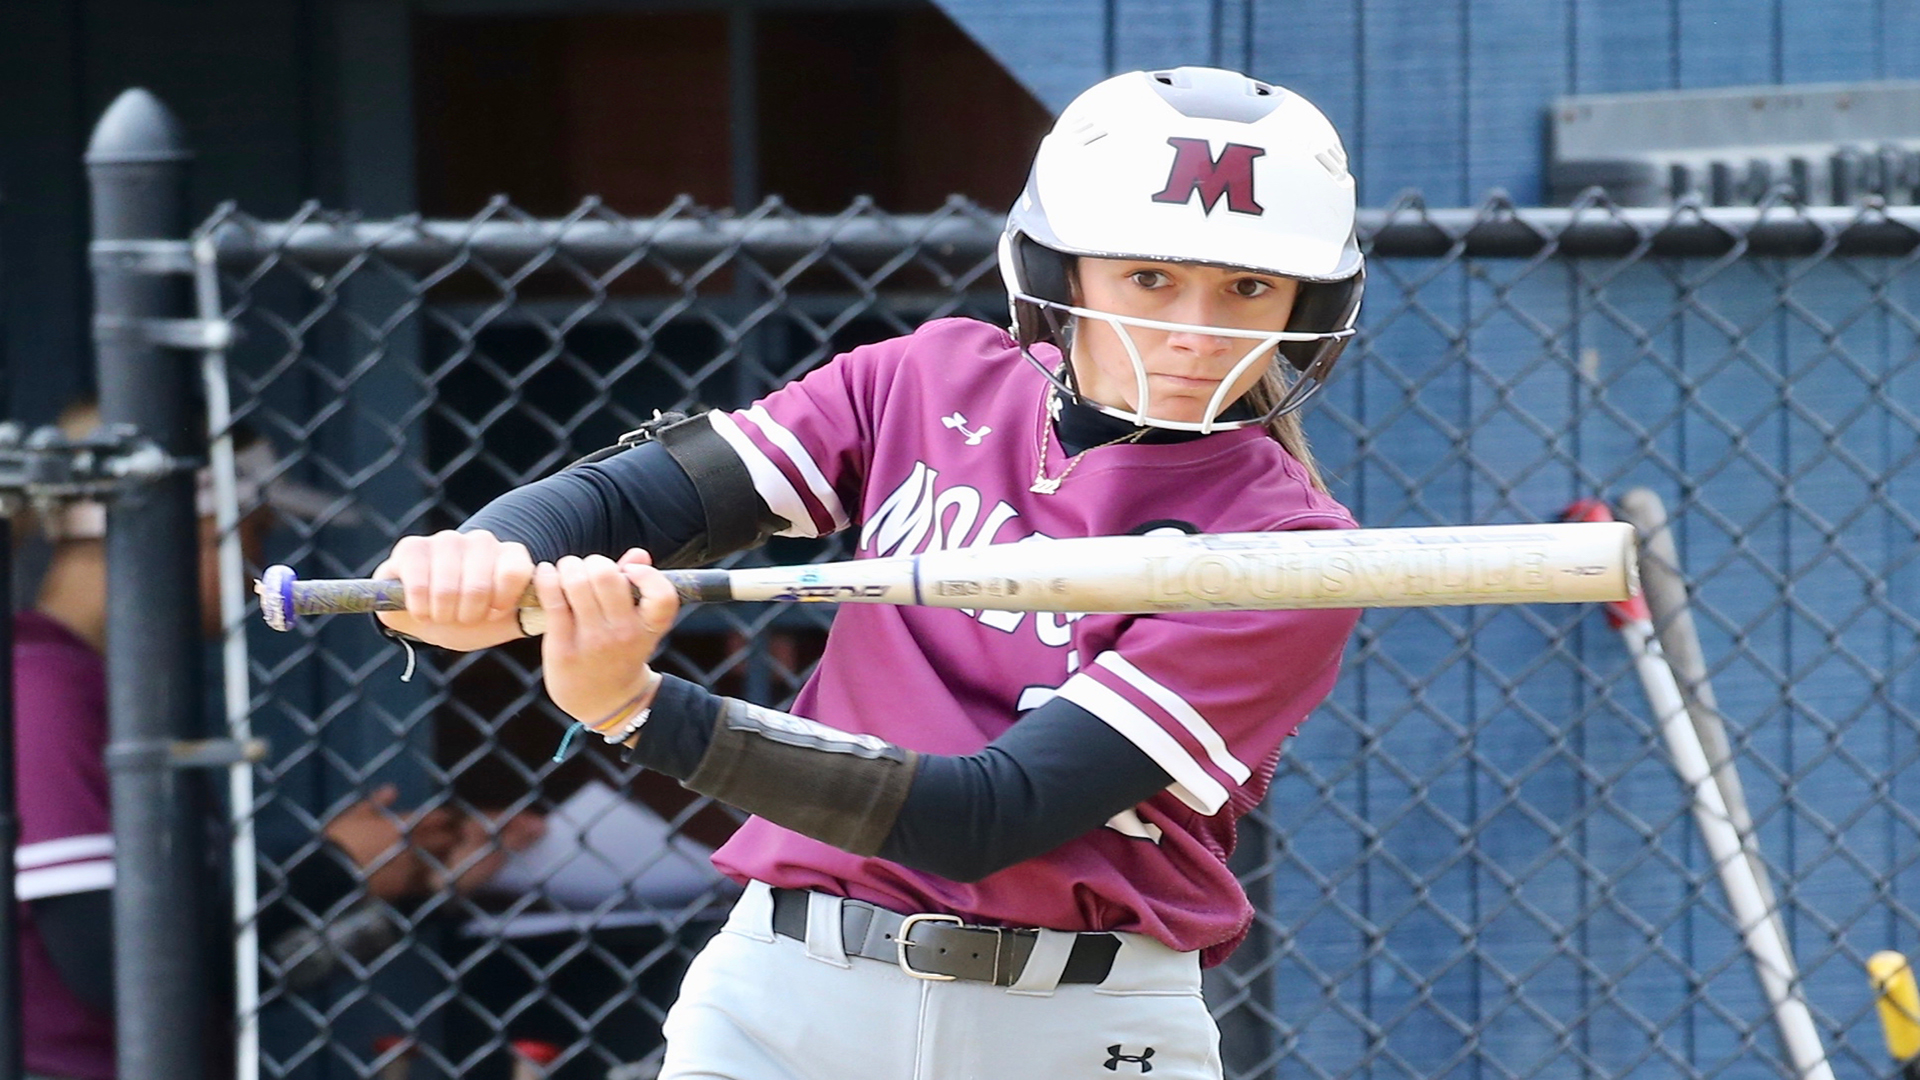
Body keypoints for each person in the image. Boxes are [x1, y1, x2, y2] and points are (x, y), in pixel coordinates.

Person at [372, 66, 1366, 1080]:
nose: (1197, 331)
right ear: (1060, 271)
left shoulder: (1283, 544)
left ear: (1306, 301)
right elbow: (635, 500)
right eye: (1150, 278)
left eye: (1248, 287)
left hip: (1078, 1024)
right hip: (787, 998)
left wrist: (636, 710)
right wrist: (481, 559)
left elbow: (991, 816)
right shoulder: (925, 380)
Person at [11, 404, 542, 1080]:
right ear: (184, 527)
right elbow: (117, 966)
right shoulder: (46, 686)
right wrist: (333, 867)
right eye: (253, 533)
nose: (258, 566)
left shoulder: (91, 684)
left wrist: (393, 886)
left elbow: (205, 980)